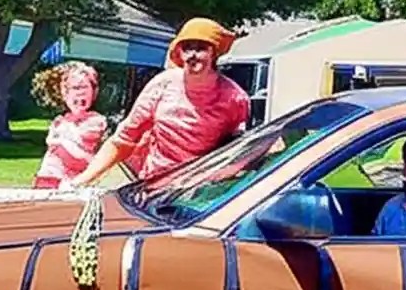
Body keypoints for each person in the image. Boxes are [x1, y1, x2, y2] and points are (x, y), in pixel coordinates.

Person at [67, 17, 250, 187]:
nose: (192, 54)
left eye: (201, 48)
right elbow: (123, 140)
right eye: (187, 47)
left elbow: (237, 152)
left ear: (214, 52)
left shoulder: (234, 98)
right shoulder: (163, 84)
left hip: (198, 193)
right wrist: (81, 181)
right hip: (152, 188)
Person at [33, 62, 108, 189]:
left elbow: (85, 159)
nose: (80, 92)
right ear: (65, 94)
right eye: (75, 88)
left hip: (69, 183)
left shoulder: (95, 121)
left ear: (94, 92)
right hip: (46, 178)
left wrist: (60, 142)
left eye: (84, 87)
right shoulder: (61, 121)